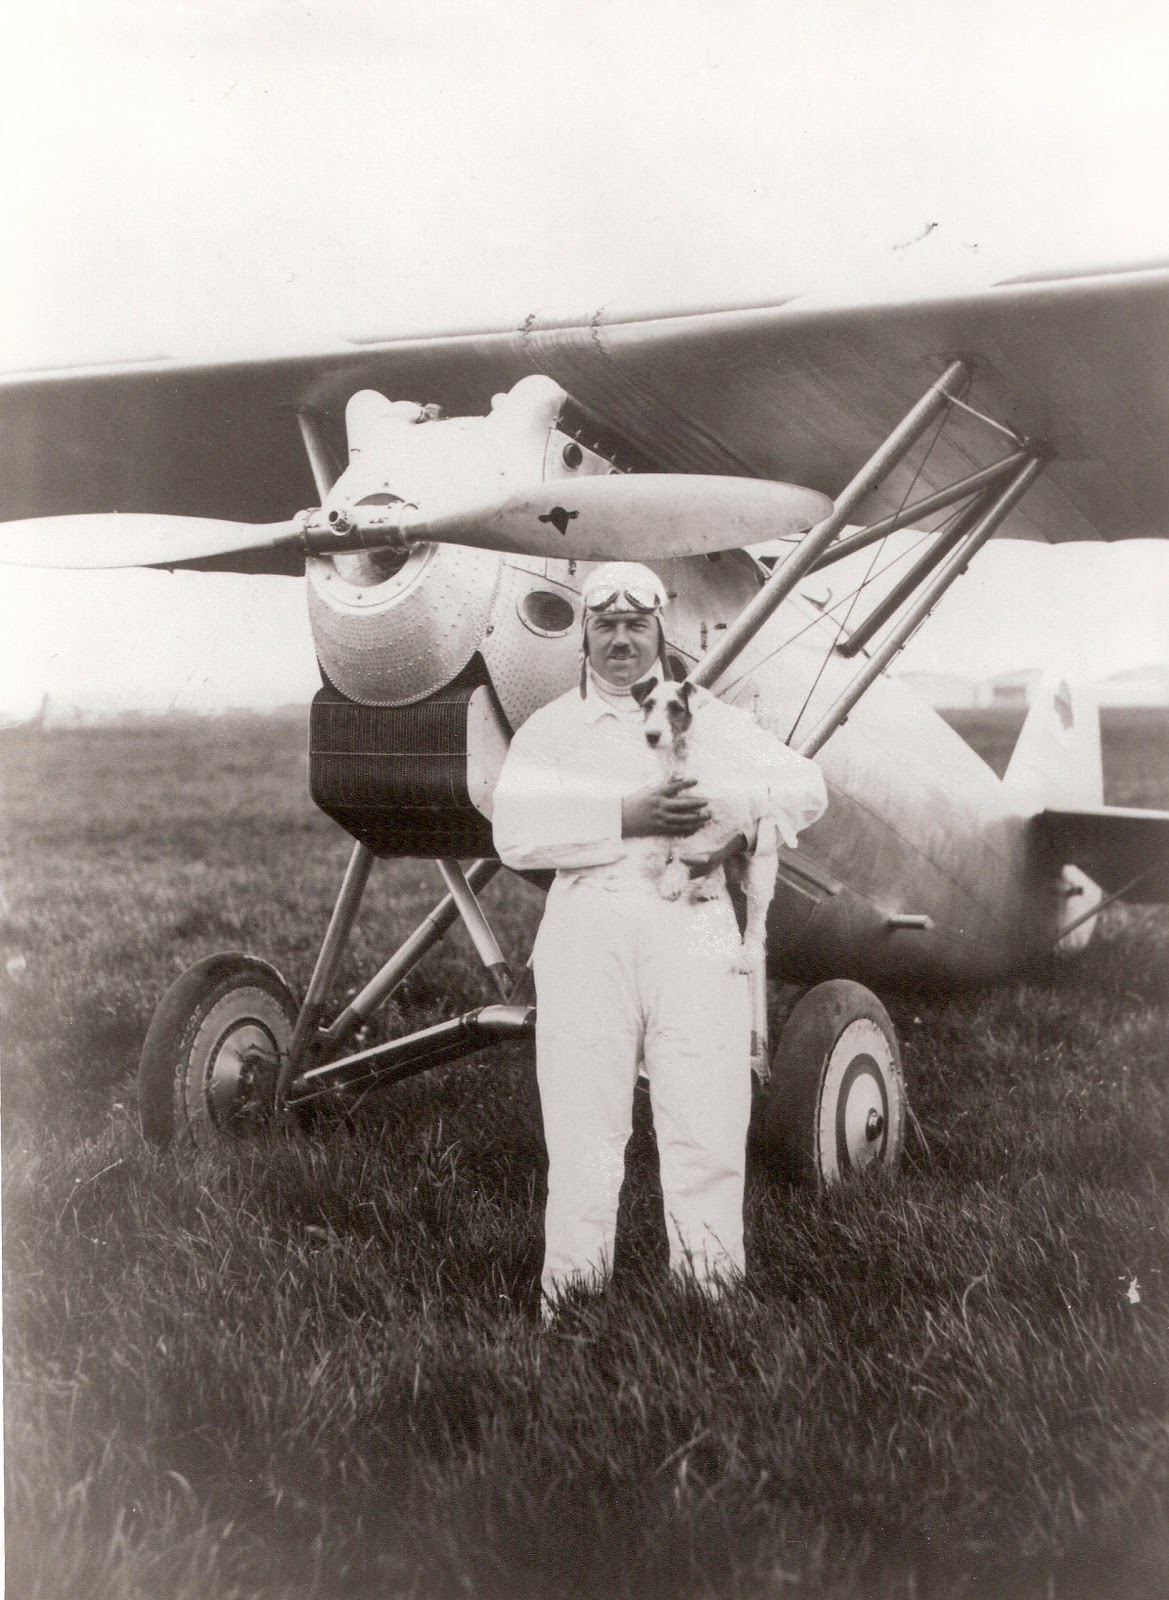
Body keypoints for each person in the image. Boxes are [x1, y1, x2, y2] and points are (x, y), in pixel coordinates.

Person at [491, 561, 826, 1312]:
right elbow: (514, 834)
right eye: (605, 626)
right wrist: (625, 817)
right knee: (583, 1126)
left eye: (635, 625)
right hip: (588, 932)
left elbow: (806, 787)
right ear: (584, 635)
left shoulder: (710, 716)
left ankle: (708, 1298)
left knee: (706, 1116)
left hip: (694, 929)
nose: (620, 640)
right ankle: (572, 1301)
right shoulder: (553, 729)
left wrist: (736, 832)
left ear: (658, 631)